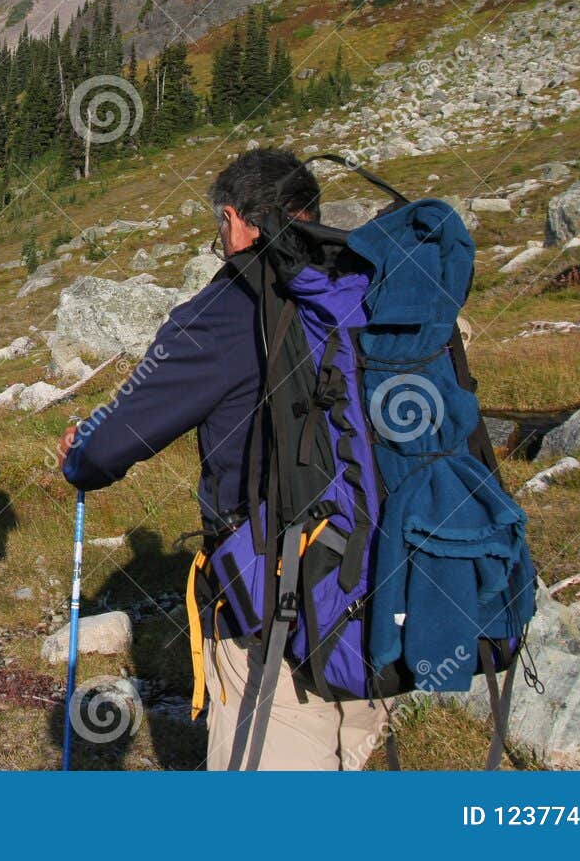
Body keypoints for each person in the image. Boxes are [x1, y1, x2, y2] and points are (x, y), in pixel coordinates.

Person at [55, 148, 382, 770]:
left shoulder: (220, 313)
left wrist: (79, 460)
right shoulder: (366, 285)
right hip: (382, 572)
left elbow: (119, 438)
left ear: (235, 220)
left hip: (279, 596)